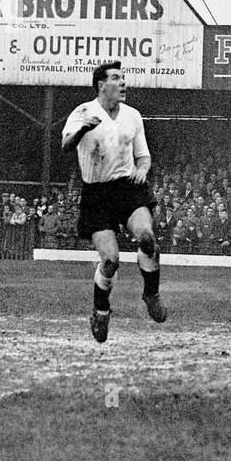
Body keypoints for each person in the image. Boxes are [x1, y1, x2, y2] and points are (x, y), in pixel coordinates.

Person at [61, 61, 167, 343]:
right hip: (96, 194)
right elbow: (66, 144)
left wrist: (142, 170)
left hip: (127, 188)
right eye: (117, 78)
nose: (123, 83)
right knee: (111, 260)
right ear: (101, 85)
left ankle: (151, 294)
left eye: (123, 78)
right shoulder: (83, 112)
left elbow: (143, 156)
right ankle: (101, 311)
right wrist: (83, 129)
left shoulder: (132, 115)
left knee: (147, 237)